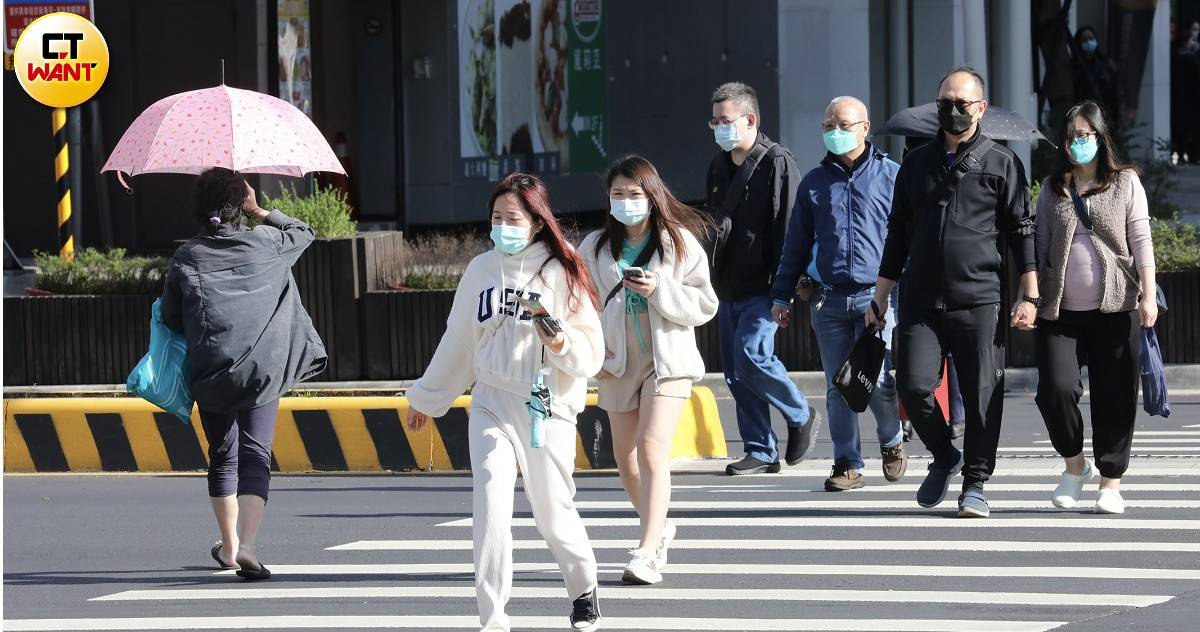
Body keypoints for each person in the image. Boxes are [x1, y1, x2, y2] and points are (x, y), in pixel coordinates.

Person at [405, 173, 604, 632]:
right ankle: (493, 618)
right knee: (491, 504)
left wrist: (558, 343)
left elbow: (591, 352)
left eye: (512, 218)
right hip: (491, 397)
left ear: (536, 222)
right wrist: (427, 398)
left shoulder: (563, 268)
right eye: (496, 217)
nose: (502, 226)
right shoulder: (480, 270)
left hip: (543, 401)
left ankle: (583, 587)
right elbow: (459, 342)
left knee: (552, 512)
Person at [867, 67, 1039, 519]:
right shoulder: (917, 163)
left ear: (981, 108)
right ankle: (946, 456)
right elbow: (897, 232)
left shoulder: (1002, 163)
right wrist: (881, 295)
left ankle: (976, 482)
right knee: (913, 385)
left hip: (980, 298)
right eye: (946, 101)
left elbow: (1023, 230)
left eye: (963, 103)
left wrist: (1030, 294)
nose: (954, 110)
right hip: (921, 298)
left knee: (983, 394)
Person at [160, 168, 328, 581]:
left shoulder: (188, 257)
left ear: (199, 209)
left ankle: (230, 547)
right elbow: (304, 231)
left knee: (223, 455)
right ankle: (248, 544)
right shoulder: (268, 243)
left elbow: (170, 318)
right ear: (241, 205)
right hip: (263, 370)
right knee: (256, 454)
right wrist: (261, 210)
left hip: (213, 370)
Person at [581, 156, 717, 585]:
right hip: (617, 361)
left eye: (634, 194)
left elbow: (705, 304)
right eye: (618, 194)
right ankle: (659, 526)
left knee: (651, 446)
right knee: (625, 459)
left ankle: (647, 551)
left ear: (652, 196)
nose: (626, 202)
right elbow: (577, 301)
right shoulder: (595, 247)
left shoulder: (679, 243)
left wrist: (661, 290)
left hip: (668, 360)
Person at [770, 96, 906, 492]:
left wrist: (899, 291)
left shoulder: (891, 176)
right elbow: (796, 243)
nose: (835, 132)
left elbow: (906, 239)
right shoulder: (814, 182)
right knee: (838, 386)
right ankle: (847, 463)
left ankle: (892, 440)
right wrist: (782, 296)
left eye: (844, 125)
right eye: (828, 125)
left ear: (866, 128)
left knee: (878, 381)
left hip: (876, 297)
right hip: (828, 300)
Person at [1033, 101, 1157, 515]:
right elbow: (1039, 247)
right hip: (1061, 310)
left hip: (1117, 305)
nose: (1077, 143)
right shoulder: (1052, 188)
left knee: (1116, 394)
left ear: (1101, 138)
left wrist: (1148, 294)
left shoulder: (1125, 183)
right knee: (1054, 390)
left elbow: (1141, 240)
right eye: (1071, 136)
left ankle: (1111, 481)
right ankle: (1075, 466)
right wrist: (1031, 297)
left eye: (1084, 135)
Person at [703, 81, 820, 476]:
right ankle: (760, 449)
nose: (719, 127)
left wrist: (783, 291)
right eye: (714, 121)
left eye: (725, 120)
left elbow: (791, 229)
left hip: (766, 286)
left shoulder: (778, 162)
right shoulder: (718, 166)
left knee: (753, 355)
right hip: (728, 285)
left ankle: (800, 413)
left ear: (750, 119)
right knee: (736, 370)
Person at [1071, 26, 1123, 127]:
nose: (1089, 43)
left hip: (1104, 118)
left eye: (1091, 39)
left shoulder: (1106, 66)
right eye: (1084, 40)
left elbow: (1115, 94)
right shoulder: (1073, 68)